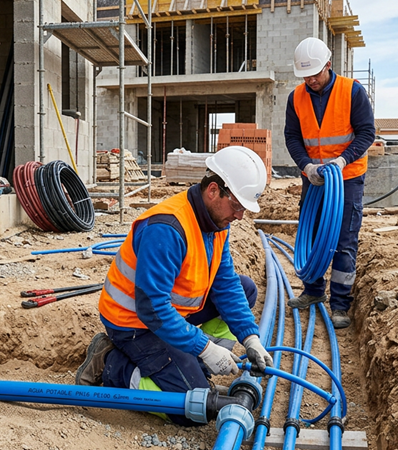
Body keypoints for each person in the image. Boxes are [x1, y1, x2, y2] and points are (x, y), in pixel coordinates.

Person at [74, 146, 273, 427]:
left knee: (246, 288)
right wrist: (204, 347)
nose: (239, 216)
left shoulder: (216, 223)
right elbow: (153, 310)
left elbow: (225, 283)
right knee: (192, 407)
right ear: (214, 190)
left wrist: (250, 337)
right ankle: (111, 365)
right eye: (237, 206)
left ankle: (187, 361)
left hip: (170, 315)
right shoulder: (167, 228)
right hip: (134, 324)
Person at [284, 37, 375, 329]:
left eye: (315, 74)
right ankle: (312, 292)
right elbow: (292, 138)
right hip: (313, 178)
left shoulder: (353, 91)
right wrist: (306, 165)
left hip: (346, 177)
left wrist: (342, 160)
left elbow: (366, 133)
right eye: (305, 75)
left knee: (344, 242)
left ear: (328, 65)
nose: (310, 80)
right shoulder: (295, 98)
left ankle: (340, 304)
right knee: (310, 235)